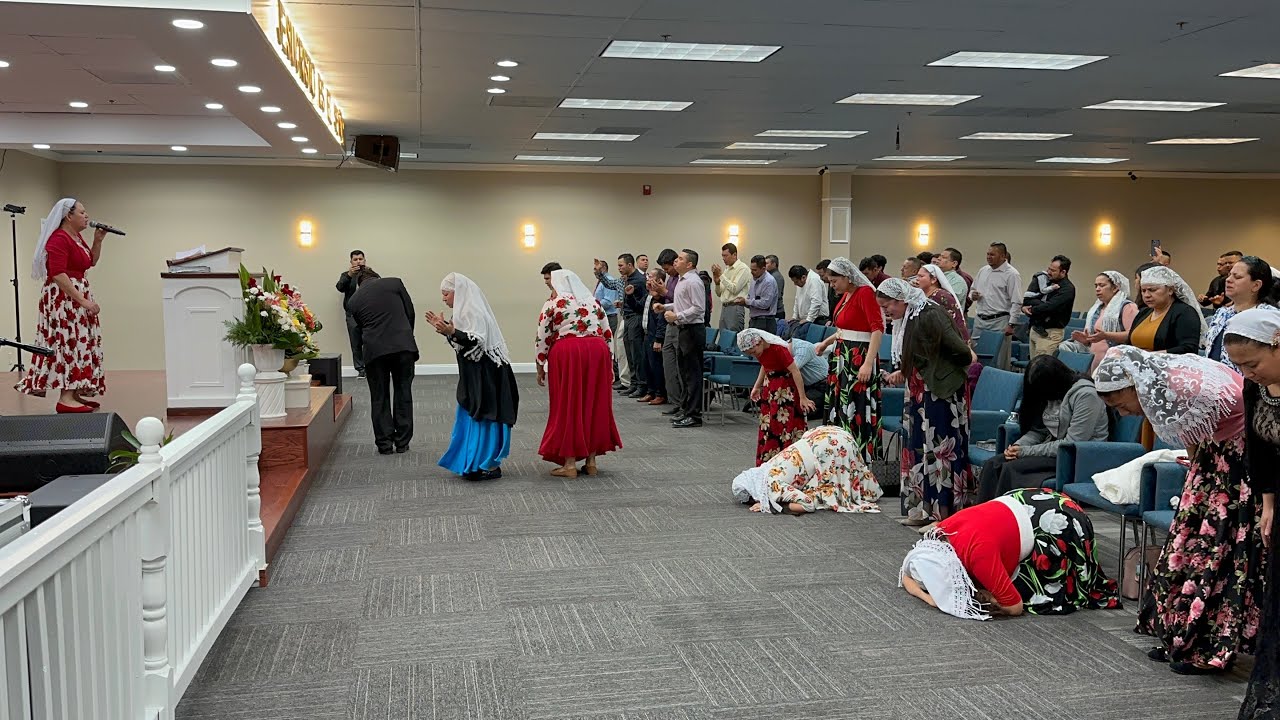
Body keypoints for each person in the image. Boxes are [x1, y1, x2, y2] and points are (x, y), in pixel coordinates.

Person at [1094, 346, 1264, 674]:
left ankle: (1207, 645)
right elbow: (1195, 439)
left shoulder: (1181, 386)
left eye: (1120, 404)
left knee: (1217, 551)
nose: (1124, 414)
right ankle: (1180, 633)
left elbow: (1221, 433)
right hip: (1215, 458)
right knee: (1187, 545)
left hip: (1237, 465)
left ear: (1133, 385)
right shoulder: (1164, 384)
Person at [899, 489, 1121, 620]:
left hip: (1058, 518)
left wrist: (987, 596)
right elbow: (906, 576)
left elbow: (1015, 607)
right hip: (1025, 497)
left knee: (1033, 594)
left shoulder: (979, 557)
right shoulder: (940, 532)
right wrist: (930, 599)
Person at [1223, 307, 1280, 717]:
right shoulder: (1254, 387)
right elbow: (1259, 451)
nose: (1248, 372)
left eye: (1253, 363)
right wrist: (1268, 505)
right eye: (1240, 366)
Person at [878, 278, 974, 523]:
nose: (886, 312)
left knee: (940, 449)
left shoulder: (930, 313)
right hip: (920, 389)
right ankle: (923, 509)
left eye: (887, 306)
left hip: (940, 391)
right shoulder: (909, 315)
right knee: (920, 448)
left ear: (901, 299)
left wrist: (940, 370)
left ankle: (943, 515)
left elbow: (962, 352)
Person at [17, 198, 110, 412]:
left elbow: (90, 262)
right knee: (67, 341)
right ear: (68, 216)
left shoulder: (76, 237)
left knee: (80, 342)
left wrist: (98, 240)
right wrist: (83, 300)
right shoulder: (58, 238)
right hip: (63, 298)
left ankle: (75, 392)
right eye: (82, 212)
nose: (87, 216)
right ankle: (65, 397)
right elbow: (57, 273)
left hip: (75, 294)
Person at [976, 355, 1108, 502]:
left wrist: (1025, 452)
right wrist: (1018, 446)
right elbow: (1039, 431)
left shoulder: (1086, 395)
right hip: (1053, 451)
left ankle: (1006, 513)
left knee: (1010, 469)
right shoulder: (1049, 394)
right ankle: (981, 512)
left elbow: (1071, 443)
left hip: (1076, 457)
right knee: (993, 464)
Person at [427, 273, 519, 481]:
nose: (443, 298)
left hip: (487, 374)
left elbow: (476, 341)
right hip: (475, 374)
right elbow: (463, 344)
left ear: (458, 293)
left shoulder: (474, 312)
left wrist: (452, 331)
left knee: (486, 414)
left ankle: (488, 463)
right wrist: (448, 331)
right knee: (474, 413)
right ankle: (474, 462)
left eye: (446, 294)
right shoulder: (462, 313)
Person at [534, 269, 622, 478]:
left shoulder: (553, 303)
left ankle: (570, 464)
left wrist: (540, 365)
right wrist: (610, 362)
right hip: (598, 351)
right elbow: (607, 332)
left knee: (569, 403)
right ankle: (591, 462)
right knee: (595, 403)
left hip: (569, 352)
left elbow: (542, 335)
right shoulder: (593, 302)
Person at [813, 258, 883, 462]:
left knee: (856, 405)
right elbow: (843, 329)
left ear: (847, 277)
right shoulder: (846, 295)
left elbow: (877, 328)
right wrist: (825, 343)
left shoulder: (865, 293)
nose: (832, 285)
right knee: (840, 404)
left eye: (835, 281)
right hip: (843, 356)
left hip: (858, 357)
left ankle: (858, 455)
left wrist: (868, 363)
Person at [730, 426, 883, 514]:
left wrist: (771, 506)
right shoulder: (767, 466)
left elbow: (807, 504)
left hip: (829, 447)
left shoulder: (772, 485)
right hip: (825, 435)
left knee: (820, 493)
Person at [346, 268, 418, 454]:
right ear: (377, 277)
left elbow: (357, 330)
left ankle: (384, 444)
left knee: (379, 396)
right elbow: (410, 312)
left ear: (359, 284)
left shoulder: (353, 300)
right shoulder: (395, 282)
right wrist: (405, 335)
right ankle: (402, 443)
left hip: (375, 351)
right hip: (403, 347)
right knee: (403, 392)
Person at [738, 329, 815, 465]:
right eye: (750, 354)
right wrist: (757, 386)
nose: (754, 355)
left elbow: (795, 371)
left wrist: (802, 397)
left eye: (754, 352)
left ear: (760, 342)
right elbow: (765, 365)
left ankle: (786, 458)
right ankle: (768, 458)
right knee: (769, 423)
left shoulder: (779, 349)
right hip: (770, 387)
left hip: (783, 389)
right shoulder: (761, 351)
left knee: (782, 423)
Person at [1204, 256, 1277, 373]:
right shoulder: (1222, 312)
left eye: (1237, 277)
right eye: (1229, 275)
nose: (1228, 280)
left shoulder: (1268, 317)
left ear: (1256, 285)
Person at [1064, 271, 1138, 372]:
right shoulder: (1097, 308)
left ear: (1115, 288)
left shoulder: (1127, 307)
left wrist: (1106, 335)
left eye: (1102, 285)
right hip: (1093, 358)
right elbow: (1096, 338)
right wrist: (1086, 340)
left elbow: (1133, 335)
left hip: (1113, 362)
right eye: (1096, 286)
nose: (1097, 289)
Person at [665, 249, 706, 428]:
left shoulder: (694, 281)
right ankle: (686, 409)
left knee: (693, 375)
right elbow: (683, 303)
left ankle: (694, 415)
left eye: (680, 259)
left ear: (689, 264)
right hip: (684, 329)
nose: (676, 261)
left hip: (693, 330)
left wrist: (677, 316)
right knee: (684, 373)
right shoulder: (682, 280)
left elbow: (698, 308)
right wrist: (665, 307)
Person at [596, 254, 648, 399]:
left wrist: (627, 301)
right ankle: (633, 383)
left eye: (621, 265)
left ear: (630, 265)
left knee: (636, 354)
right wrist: (599, 273)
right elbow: (610, 284)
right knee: (629, 353)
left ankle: (641, 385)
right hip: (627, 316)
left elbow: (641, 303)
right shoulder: (625, 279)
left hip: (635, 318)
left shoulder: (638, 280)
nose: (619, 268)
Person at [1129, 265, 1206, 355]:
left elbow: (1188, 348)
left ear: (1170, 290)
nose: (1147, 295)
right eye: (1143, 291)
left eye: (1152, 290)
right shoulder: (1143, 312)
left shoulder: (1185, 312)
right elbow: (1129, 343)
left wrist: (1150, 356)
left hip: (1167, 362)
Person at [969, 243, 1023, 369]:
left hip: (999, 321)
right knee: (975, 356)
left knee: (998, 359)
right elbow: (972, 290)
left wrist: (1011, 324)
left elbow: (1017, 301)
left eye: (992, 254)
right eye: (988, 254)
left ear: (1003, 256)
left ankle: (997, 380)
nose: (988, 257)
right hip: (980, 320)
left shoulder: (1012, 274)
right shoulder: (983, 270)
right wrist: (973, 295)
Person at [1020, 255, 1076, 358]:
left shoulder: (1067, 289)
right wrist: (1024, 307)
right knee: (1033, 364)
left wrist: (1031, 309)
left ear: (1063, 272)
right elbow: (1030, 298)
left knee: (1042, 366)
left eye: (1053, 270)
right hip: (1035, 328)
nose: (1048, 272)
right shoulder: (1047, 280)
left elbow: (1049, 307)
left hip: (1050, 333)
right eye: (1049, 268)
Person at [653, 249, 684, 417]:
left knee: (680, 368)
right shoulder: (671, 278)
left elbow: (681, 301)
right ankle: (675, 402)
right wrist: (659, 296)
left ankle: (684, 405)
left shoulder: (683, 279)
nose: (666, 272)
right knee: (669, 367)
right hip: (669, 323)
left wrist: (664, 292)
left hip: (680, 323)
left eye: (667, 268)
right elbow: (669, 300)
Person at [335, 249, 368, 378]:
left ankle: (372, 367)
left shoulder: (370, 274)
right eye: (355, 259)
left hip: (369, 314)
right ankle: (361, 369)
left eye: (360, 259)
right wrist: (349, 275)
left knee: (371, 341)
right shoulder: (346, 275)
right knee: (356, 342)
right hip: (352, 315)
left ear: (364, 260)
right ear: (351, 262)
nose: (358, 261)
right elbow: (340, 287)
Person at [590, 260, 622, 383]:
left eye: (595, 269)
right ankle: (608, 373)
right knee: (604, 345)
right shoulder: (601, 282)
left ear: (603, 268)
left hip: (609, 317)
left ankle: (615, 373)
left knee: (607, 345)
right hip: (603, 317)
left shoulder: (609, 281)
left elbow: (608, 301)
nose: (594, 272)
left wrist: (593, 306)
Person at [916, 263, 967, 339]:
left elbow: (951, 324)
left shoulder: (941, 296)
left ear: (933, 279)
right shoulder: (922, 295)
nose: (917, 279)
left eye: (921, 276)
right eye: (917, 276)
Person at [641, 268, 668, 406]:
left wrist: (658, 338)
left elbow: (661, 320)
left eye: (650, 276)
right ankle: (650, 391)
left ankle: (660, 393)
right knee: (647, 364)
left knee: (656, 365)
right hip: (647, 333)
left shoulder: (661, 297)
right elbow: (640, 307)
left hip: (655, 335)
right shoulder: (650, 295)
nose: (647, 278)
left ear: (659, 280)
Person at [789, 335, 829, 419]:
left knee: (798, 411)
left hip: (822, 386)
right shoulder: (790, 346)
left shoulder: (803, 350)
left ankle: (825, 410)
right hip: (808, 386)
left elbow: (789, 371)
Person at [712, 243, 750, 332]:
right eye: (722, 256)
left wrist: (721, 275)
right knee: (723, 336)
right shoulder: (727, 269)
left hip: (735, 307)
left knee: (733, 336)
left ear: (734, 255)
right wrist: (717, 283)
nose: (723, 258)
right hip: (724, 307)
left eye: (726, 255)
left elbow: (734, 289)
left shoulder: (743, 268)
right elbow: (719, 294)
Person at [785, 264, 829, 341]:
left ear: (803, 277)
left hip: (817, 320)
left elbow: (816, 302)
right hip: (806, 320)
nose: (795, 284)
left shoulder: (814, 280)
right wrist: (794, 317)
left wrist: (809, 319)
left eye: (796, 281)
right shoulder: (801, 282)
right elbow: (797, 300)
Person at [745, 255, 779, 334]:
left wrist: (747, 301)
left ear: (763, 269)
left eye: (755, 270)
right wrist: (744, 302)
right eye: (751, 269)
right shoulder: (754, 280)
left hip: (765, 322)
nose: (751, 272)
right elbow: (750, 298)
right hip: (754, 320)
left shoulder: (769, 281)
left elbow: (765, 304)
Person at [765, 254, 785, 327]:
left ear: (774, 264)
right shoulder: (769, 276)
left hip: (776, 312)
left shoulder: (777, 277)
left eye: (767, 263)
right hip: (771, 311)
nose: (765, 265)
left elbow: (776, 296)